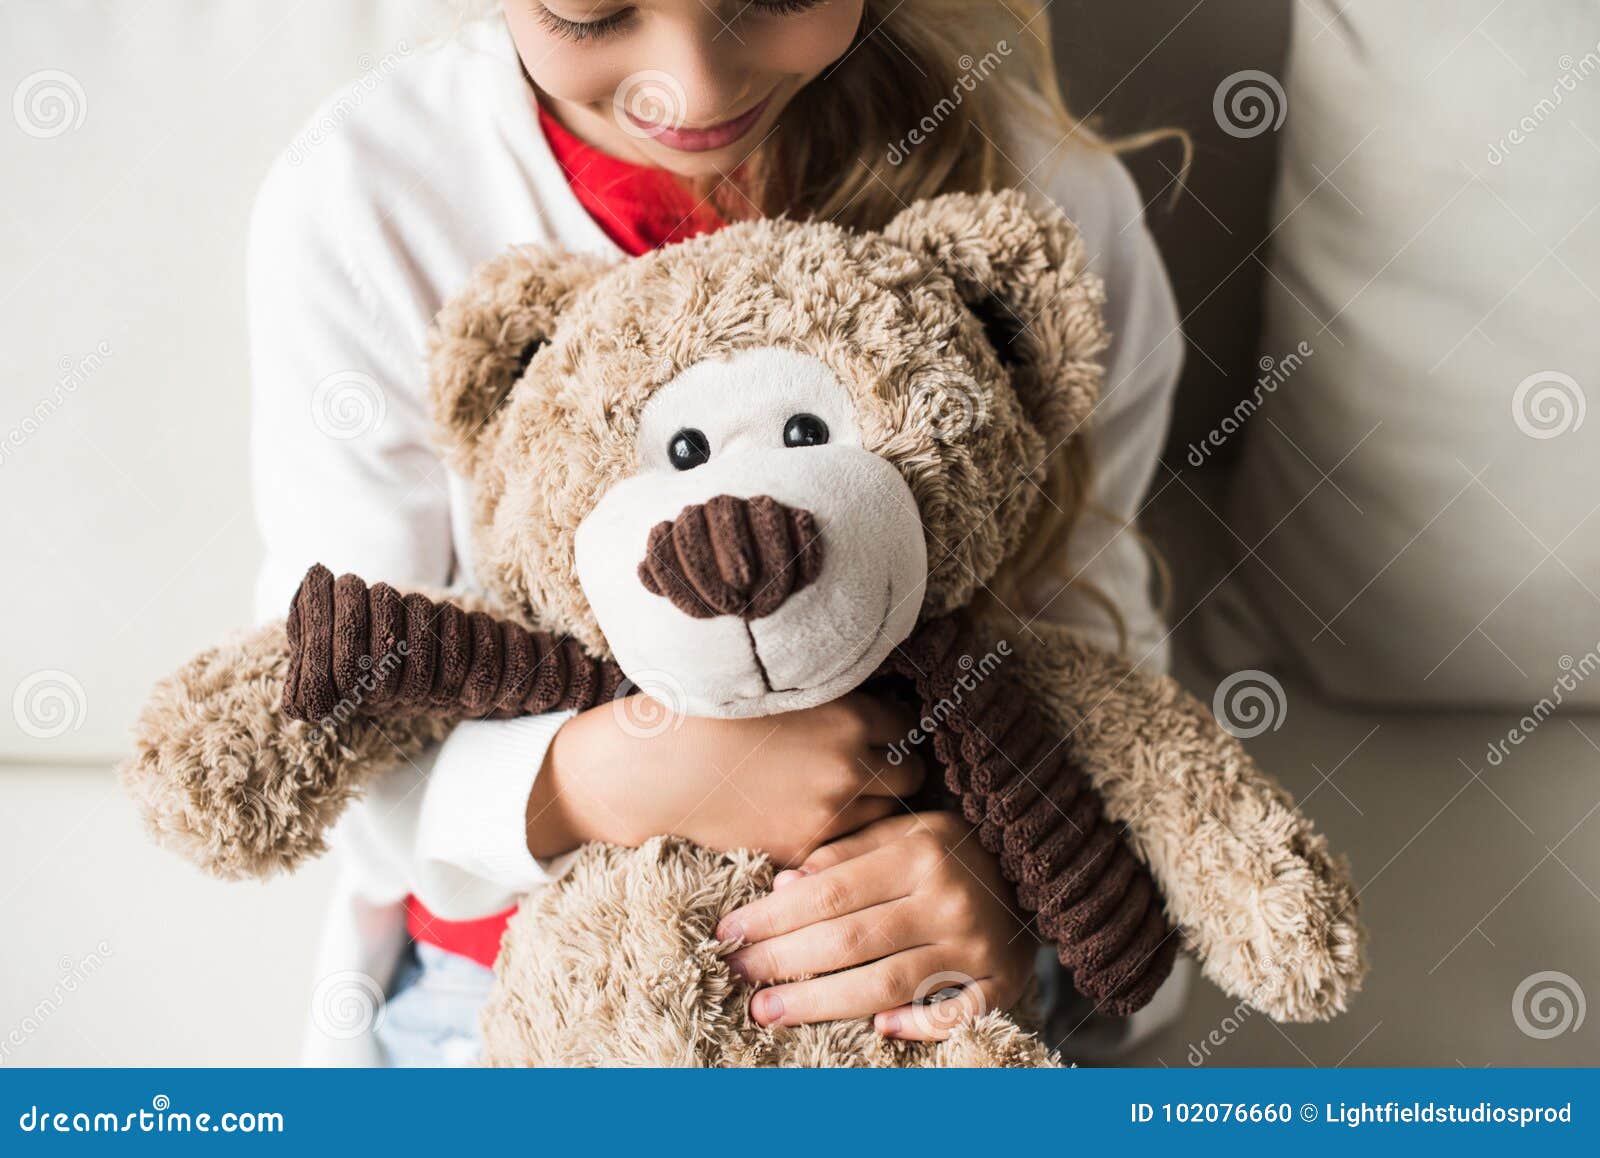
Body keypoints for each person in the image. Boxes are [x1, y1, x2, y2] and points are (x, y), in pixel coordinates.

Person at [248, 0, 1186, 1066]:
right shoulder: (370, 195)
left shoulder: (1051, 203)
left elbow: (1103, 672)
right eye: (590, 13)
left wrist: (1009, 897)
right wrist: (595, 778)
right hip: (513, 996)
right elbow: (327, 718)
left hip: (908, 1016)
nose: (690, 91)